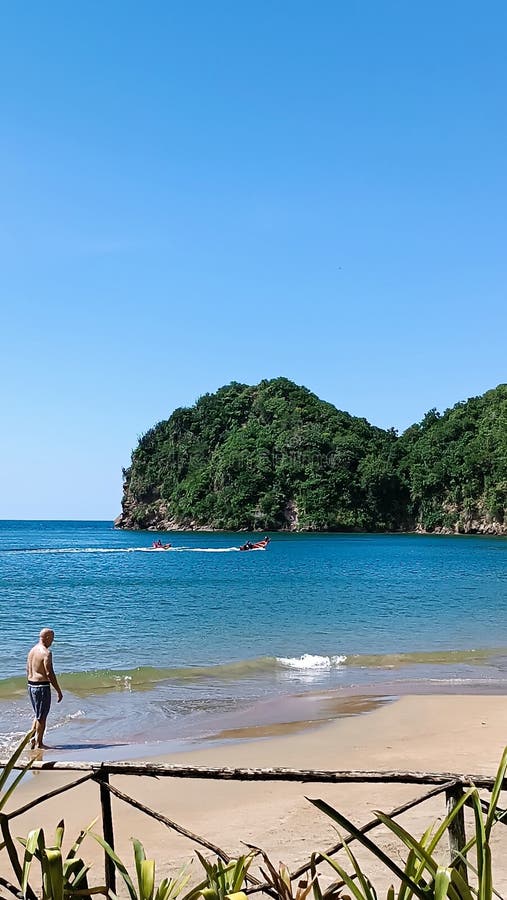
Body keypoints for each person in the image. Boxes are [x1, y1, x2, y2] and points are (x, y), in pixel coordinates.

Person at [26, 628, 63, 749]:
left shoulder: (32, 651)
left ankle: (32, 739)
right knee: (42, 716)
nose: (52, 641)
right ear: (47, 638)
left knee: (37, 714)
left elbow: (27, 670)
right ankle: (39, 743)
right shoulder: (46, 653)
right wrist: (58, 690)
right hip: (41, 687)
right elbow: (49, 673)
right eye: (52, 638)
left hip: (31, 685)